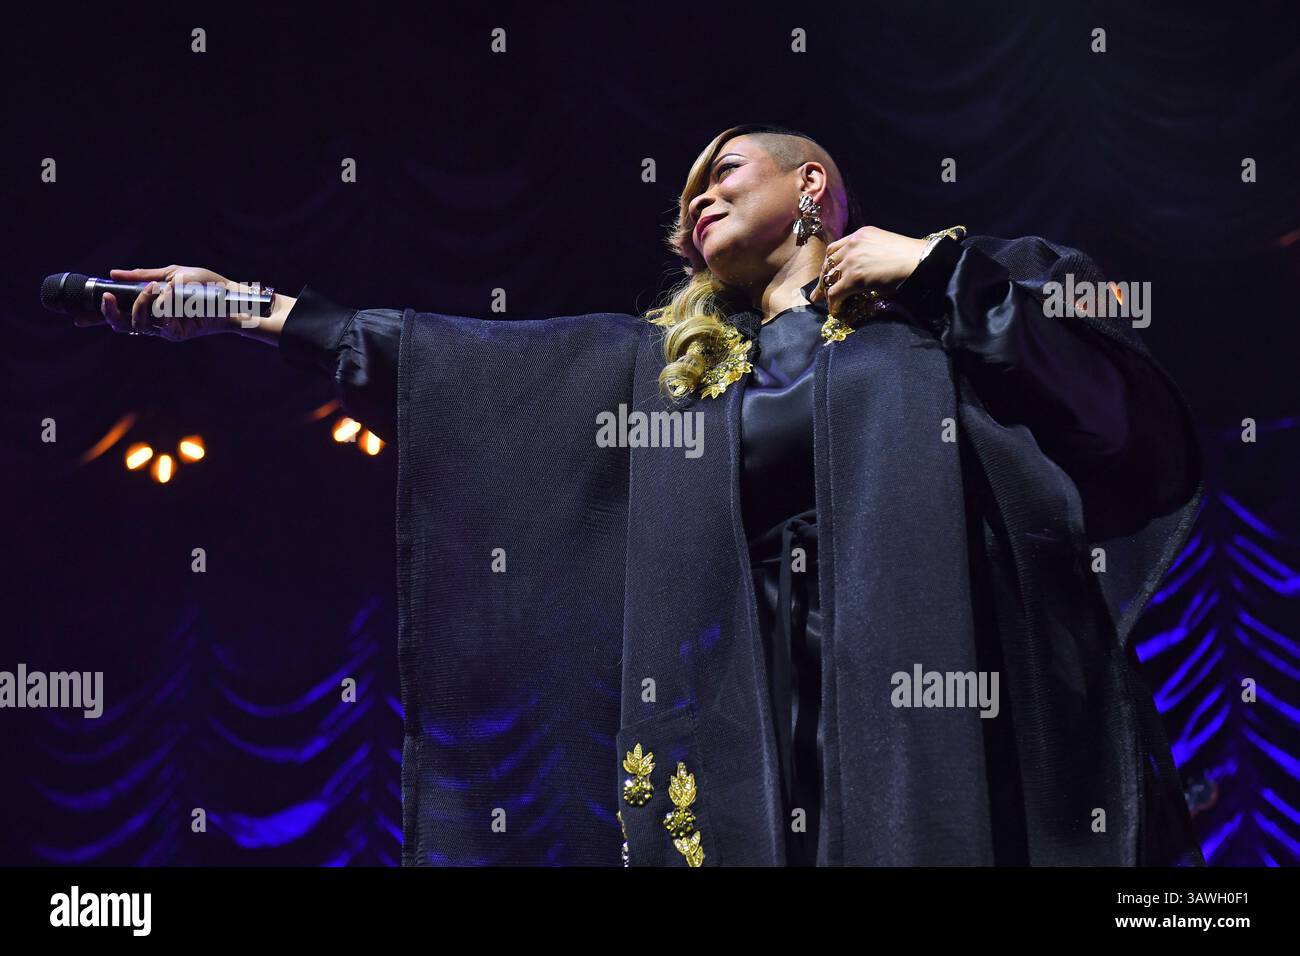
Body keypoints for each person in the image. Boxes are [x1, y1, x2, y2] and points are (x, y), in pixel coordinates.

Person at [75, 123, 1204, 867]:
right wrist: (245, 306)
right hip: (760, 734)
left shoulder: (944, 298)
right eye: (686, 194)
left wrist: (939, 267)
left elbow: (1112, 401)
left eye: (726, 171)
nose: (696, 197)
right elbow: (455, 364)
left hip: (961, 714)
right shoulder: (669, 374)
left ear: (811, 184)